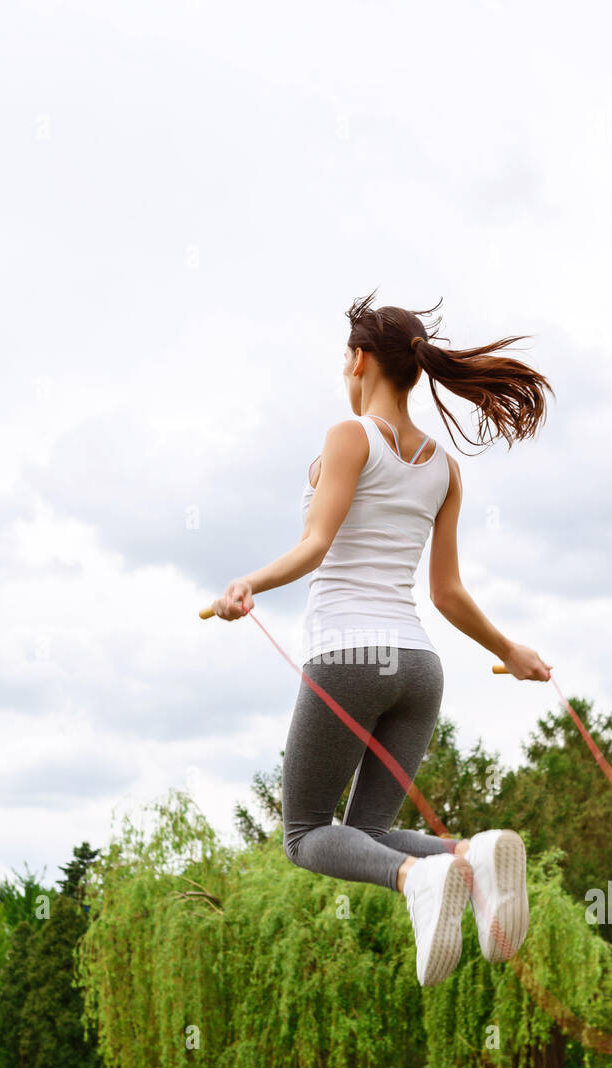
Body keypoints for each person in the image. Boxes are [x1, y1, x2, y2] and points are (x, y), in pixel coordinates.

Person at [211, 292, 553, 987]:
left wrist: (247, 582)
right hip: (418, 669)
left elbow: (315, 545)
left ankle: (415, 878)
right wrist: (508, 651)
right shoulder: (444, 467)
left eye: (346, 356)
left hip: (348, 657)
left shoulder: (348, 437)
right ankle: (470, 858)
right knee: (364, 829)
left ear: (360, 359)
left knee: (306, 834)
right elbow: (447, 594)